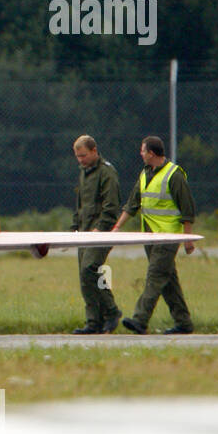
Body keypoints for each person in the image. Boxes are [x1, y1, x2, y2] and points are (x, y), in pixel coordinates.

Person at [110, 136, 197, 334]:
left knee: (155, 276)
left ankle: (140, 319)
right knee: (168, 280)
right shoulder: (145, 174)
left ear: (151, 153)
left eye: (142, 150)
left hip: (168, 237)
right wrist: (117, 227)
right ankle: (183, 322)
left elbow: (187, 208)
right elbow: (133, 204)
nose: (140, 154)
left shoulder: (174, 175)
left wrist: (188, 238)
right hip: (150, 236)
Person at [69, 135, 122, 334]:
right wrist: (74, 227)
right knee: (86, 277)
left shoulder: (107, 172)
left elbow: (111, 205)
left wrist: (101, 228)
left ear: (94, 151)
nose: (80, 160)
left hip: (100, 232)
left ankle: (111, 311)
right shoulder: (84, 173)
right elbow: (80, 203)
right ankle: (93, 322)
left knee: (89, 269)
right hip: (84, 231)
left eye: (83, 155)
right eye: (77, 157)